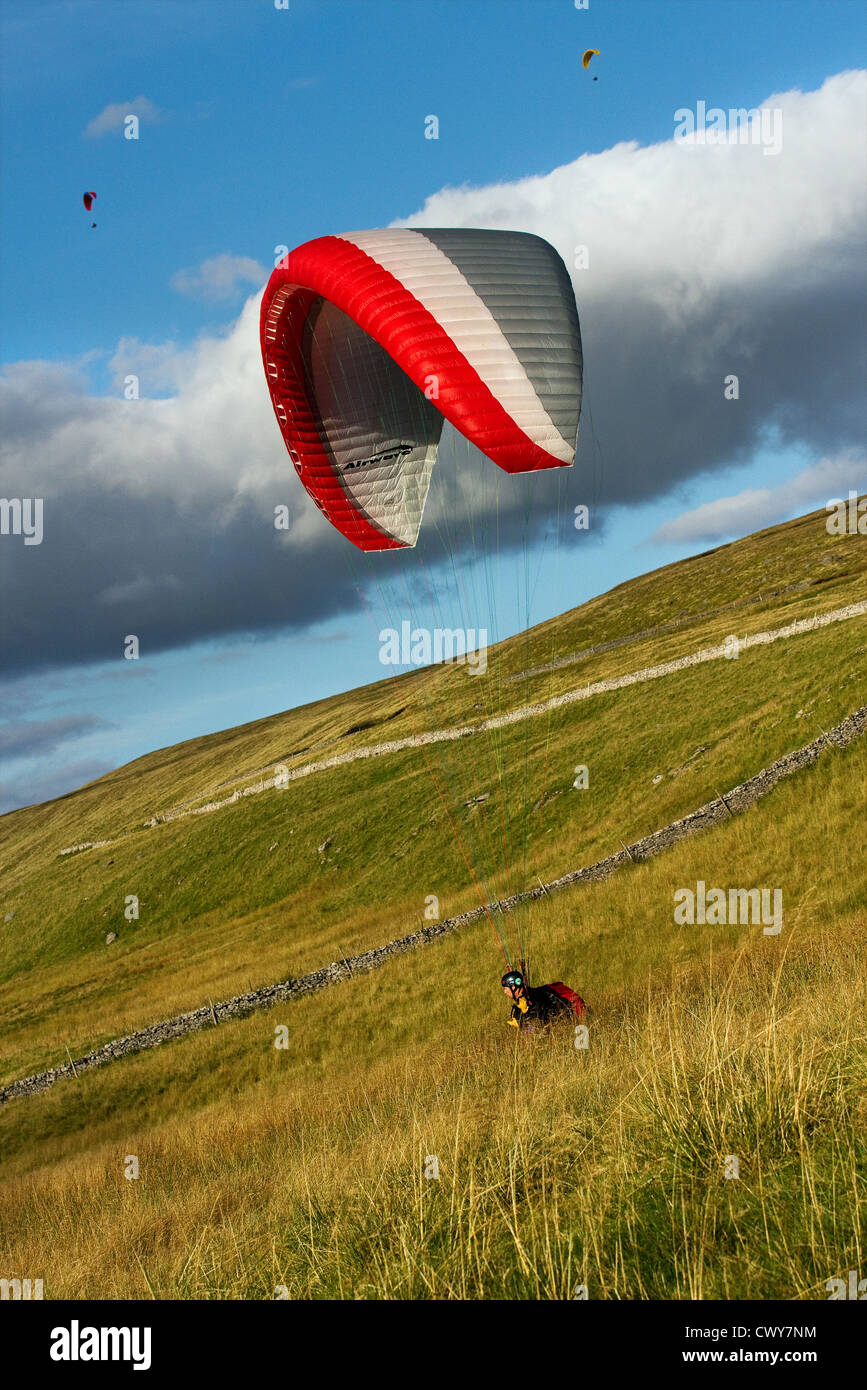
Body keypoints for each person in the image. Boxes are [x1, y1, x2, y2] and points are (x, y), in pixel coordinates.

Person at [501, 968, 588, 1033]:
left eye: (506, 989)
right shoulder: (519, 1007)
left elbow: (538, 1027)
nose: (505, 992)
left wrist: (524, 1027)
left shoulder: (538, 998)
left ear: (513, 987)